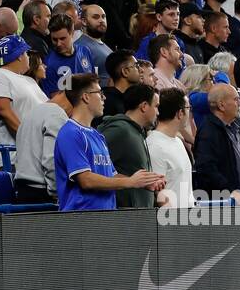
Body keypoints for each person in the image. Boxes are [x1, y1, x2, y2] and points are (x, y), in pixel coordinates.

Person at [54, 74, 162, 211]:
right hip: (81, 220)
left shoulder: (97, 135)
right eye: (100, 93)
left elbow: (112, 175)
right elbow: (85, 180)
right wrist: (130, 182)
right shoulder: (70, 133)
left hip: (106, 217)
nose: (104, 98)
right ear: (86, 97)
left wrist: (142, 182)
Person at [0, 34, 47, 171]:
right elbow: (3, 110)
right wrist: (31, 138)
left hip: (33, 157)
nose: (28, 57)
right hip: (9, 159)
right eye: (26, 53)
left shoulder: (28, 80)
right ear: (19, 55)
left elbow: (48, 109)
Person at [97, 82, 164, 208]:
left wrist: (147, 181)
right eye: (156, 106)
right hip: (124, 218)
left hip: (138, 215)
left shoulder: (137, 132)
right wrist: (130, 181)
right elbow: (96, 168)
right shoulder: (120, 130)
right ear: (144, 106)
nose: (158, 113)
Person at [193, 83, 240, 202]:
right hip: (225, 207)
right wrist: (230, 191)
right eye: (236, 99)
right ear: (221, 105)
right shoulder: (209, 132)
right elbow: (206, 168)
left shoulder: (235, 128)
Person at [147, 88, 195, 207]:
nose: (190, 112)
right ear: (180, 113)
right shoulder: (155, 146)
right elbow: (159, 193)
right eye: (188, 108)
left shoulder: (178, 141)